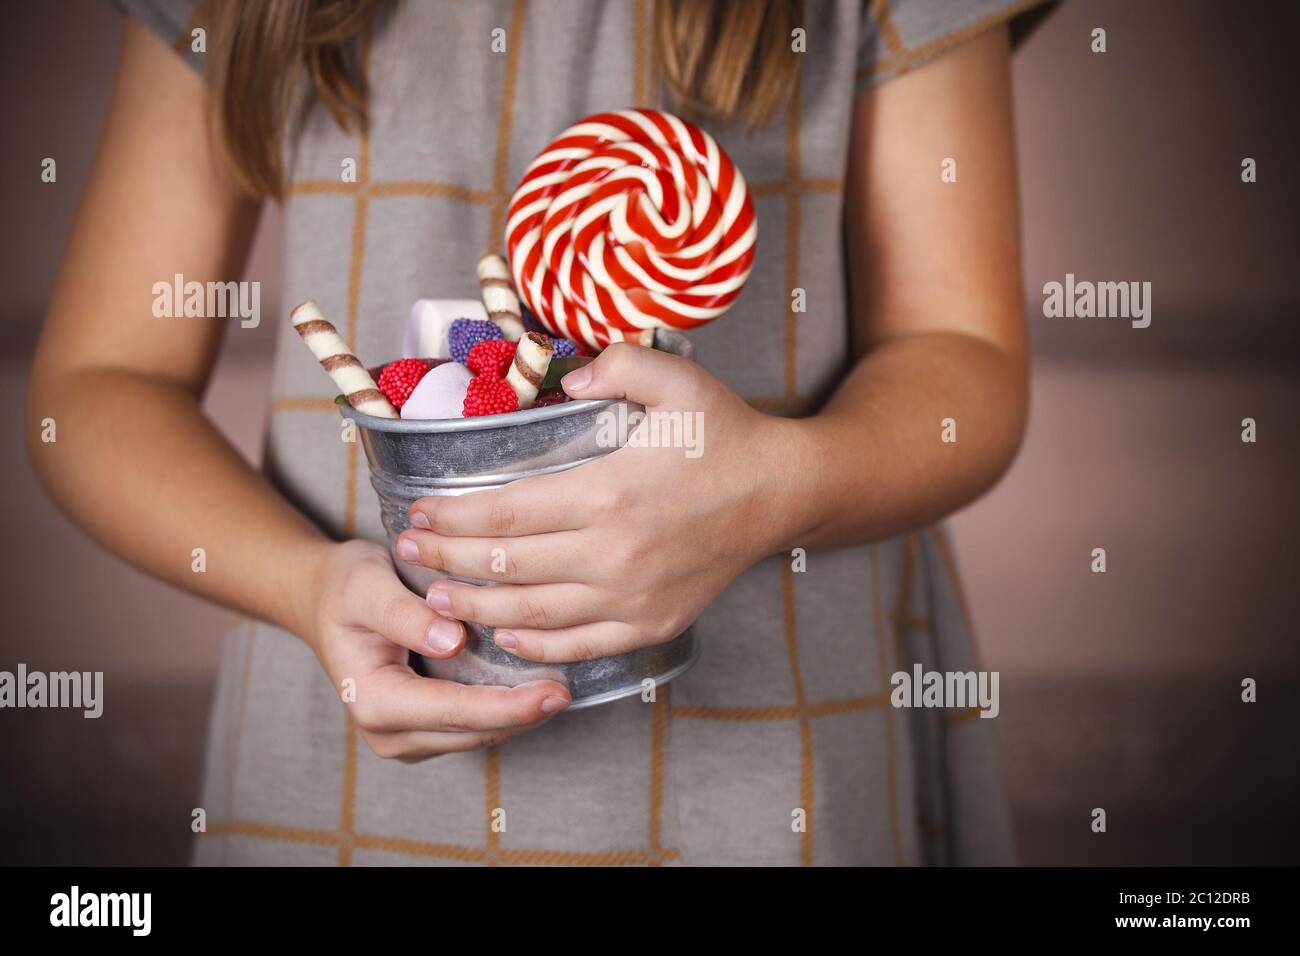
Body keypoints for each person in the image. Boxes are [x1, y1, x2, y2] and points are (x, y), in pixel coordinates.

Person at [28, 0, 1051, 865]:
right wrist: (304, 585)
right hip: (339, 772)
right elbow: (98, 383)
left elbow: (961, 355)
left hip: (770, 770)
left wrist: (780, 482)